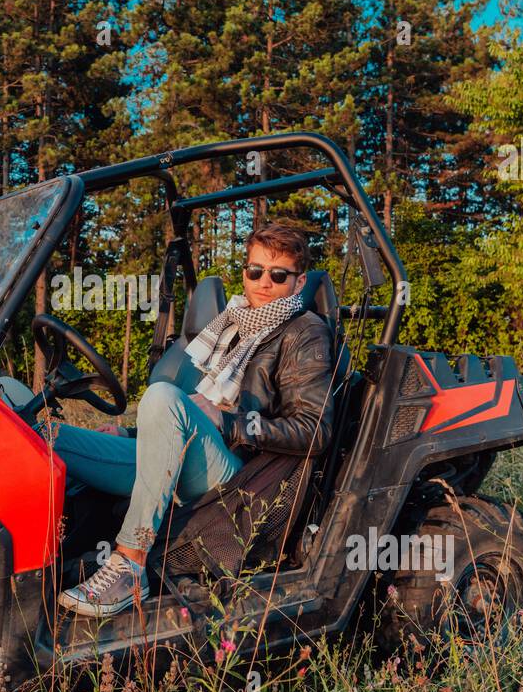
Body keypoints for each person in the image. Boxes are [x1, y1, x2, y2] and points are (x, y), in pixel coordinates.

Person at [47, 222, 337, 617]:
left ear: (299, 281)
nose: (263, 283)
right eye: (255, 271)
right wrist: (131, 432)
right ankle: (27, 568)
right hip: (189, 456)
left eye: (278, 274)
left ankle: (128, 565)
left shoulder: (305, 332)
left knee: (163, 394)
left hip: (239, 476)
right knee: (47, 435)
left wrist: (229, 422)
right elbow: (186, 418)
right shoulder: (231, 324)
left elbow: (315, 429)